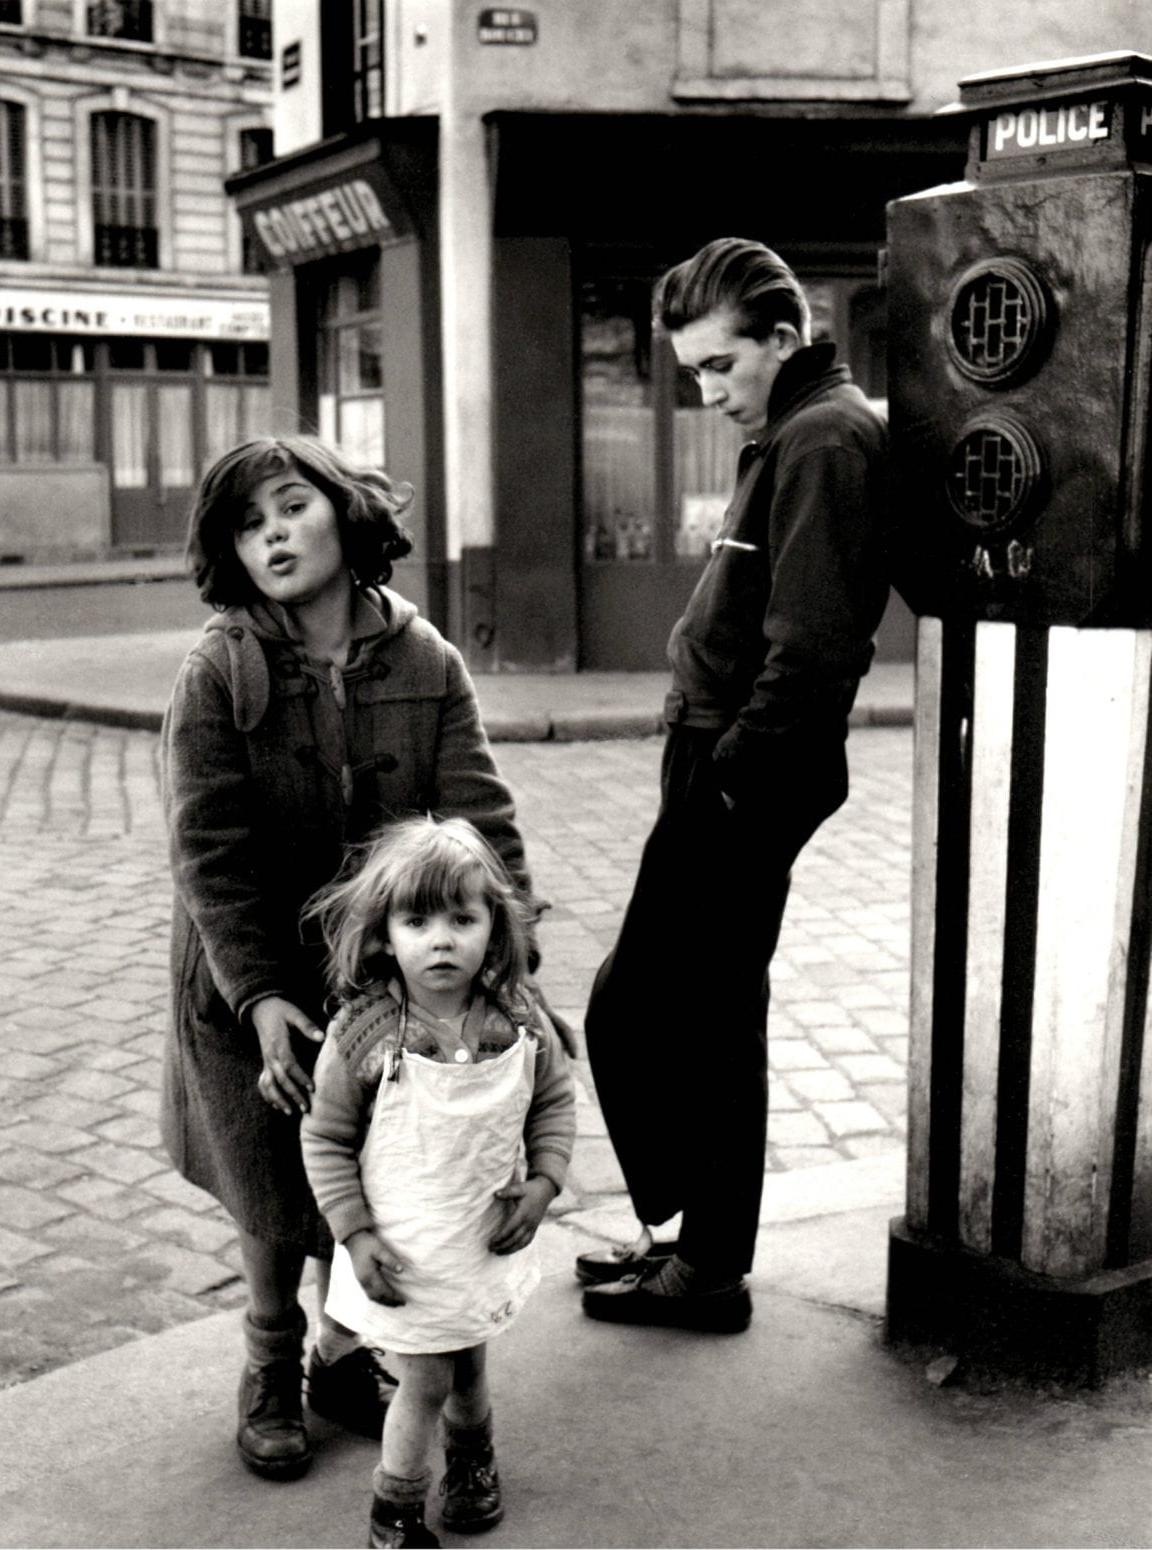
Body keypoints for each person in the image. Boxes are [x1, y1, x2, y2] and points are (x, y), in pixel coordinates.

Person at [160, 435, 539, 1483]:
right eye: (249, 524)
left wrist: (513, 962)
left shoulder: (427, 661)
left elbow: (484, 825)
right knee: (269, 1173)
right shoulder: (218, 669)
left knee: (372, 1162)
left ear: (344, 511)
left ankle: (340, 1353)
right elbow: (206, 851)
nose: (274, 535)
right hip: (245, 974)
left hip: (381, 975)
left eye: (292, 507)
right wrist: (258, 996)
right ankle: (270, 1360)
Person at [578, 238, 889, 1330]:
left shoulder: (824, 439)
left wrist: (727, 780)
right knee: (693, 1006)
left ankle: (706, 1263)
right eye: (693, 372)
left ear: (783, 338)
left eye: (720, 365)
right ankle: (697, 1240)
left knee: (650, 1009)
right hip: (722, 757)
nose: (707, 392)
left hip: (743, 767)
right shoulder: (791, 431)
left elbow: (814, 651)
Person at [301, 816, 575, 1549]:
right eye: (418, 922)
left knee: (472, 1359)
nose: (442, 940)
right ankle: (392, 1515)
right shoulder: (364, 1034)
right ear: (384, 935)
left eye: (462, 919)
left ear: (495, 926)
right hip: (404, 1251)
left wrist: (545, 1182)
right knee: (424, 1381)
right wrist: (354, 1234)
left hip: (480, 1239)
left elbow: (553, 1100)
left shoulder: (518, 1019)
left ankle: (472, 1462)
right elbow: (325, 1138)